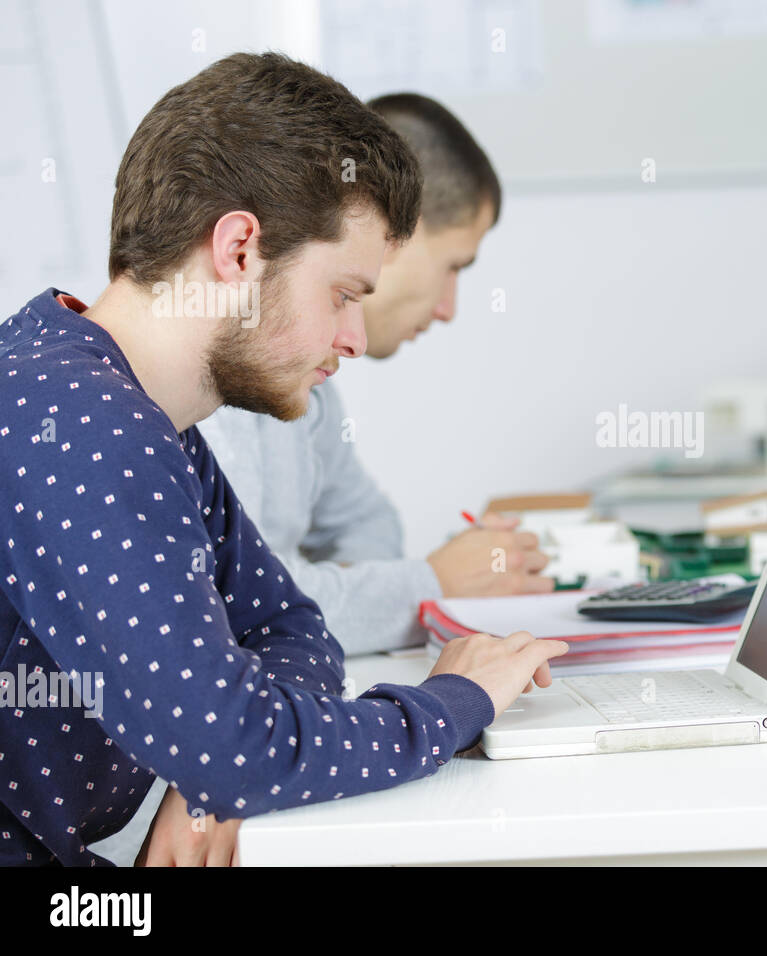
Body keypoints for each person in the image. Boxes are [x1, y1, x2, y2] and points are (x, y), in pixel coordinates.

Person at [0, 52, 565, 867]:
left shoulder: (141, 413)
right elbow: (235, 746)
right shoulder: (84, 422)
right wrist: (457, 702)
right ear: (238, 250)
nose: (355, 340)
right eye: (341, 294)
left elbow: (287, 626)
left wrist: (217, 769)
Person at [199, 94, 552, 658]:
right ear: (391, 233)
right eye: (453, 266)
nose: (448, 309)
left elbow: (368, 525)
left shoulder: (308, 379)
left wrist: (347, 592)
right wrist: (432, 583)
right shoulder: (215, 380)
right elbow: (243, 608)